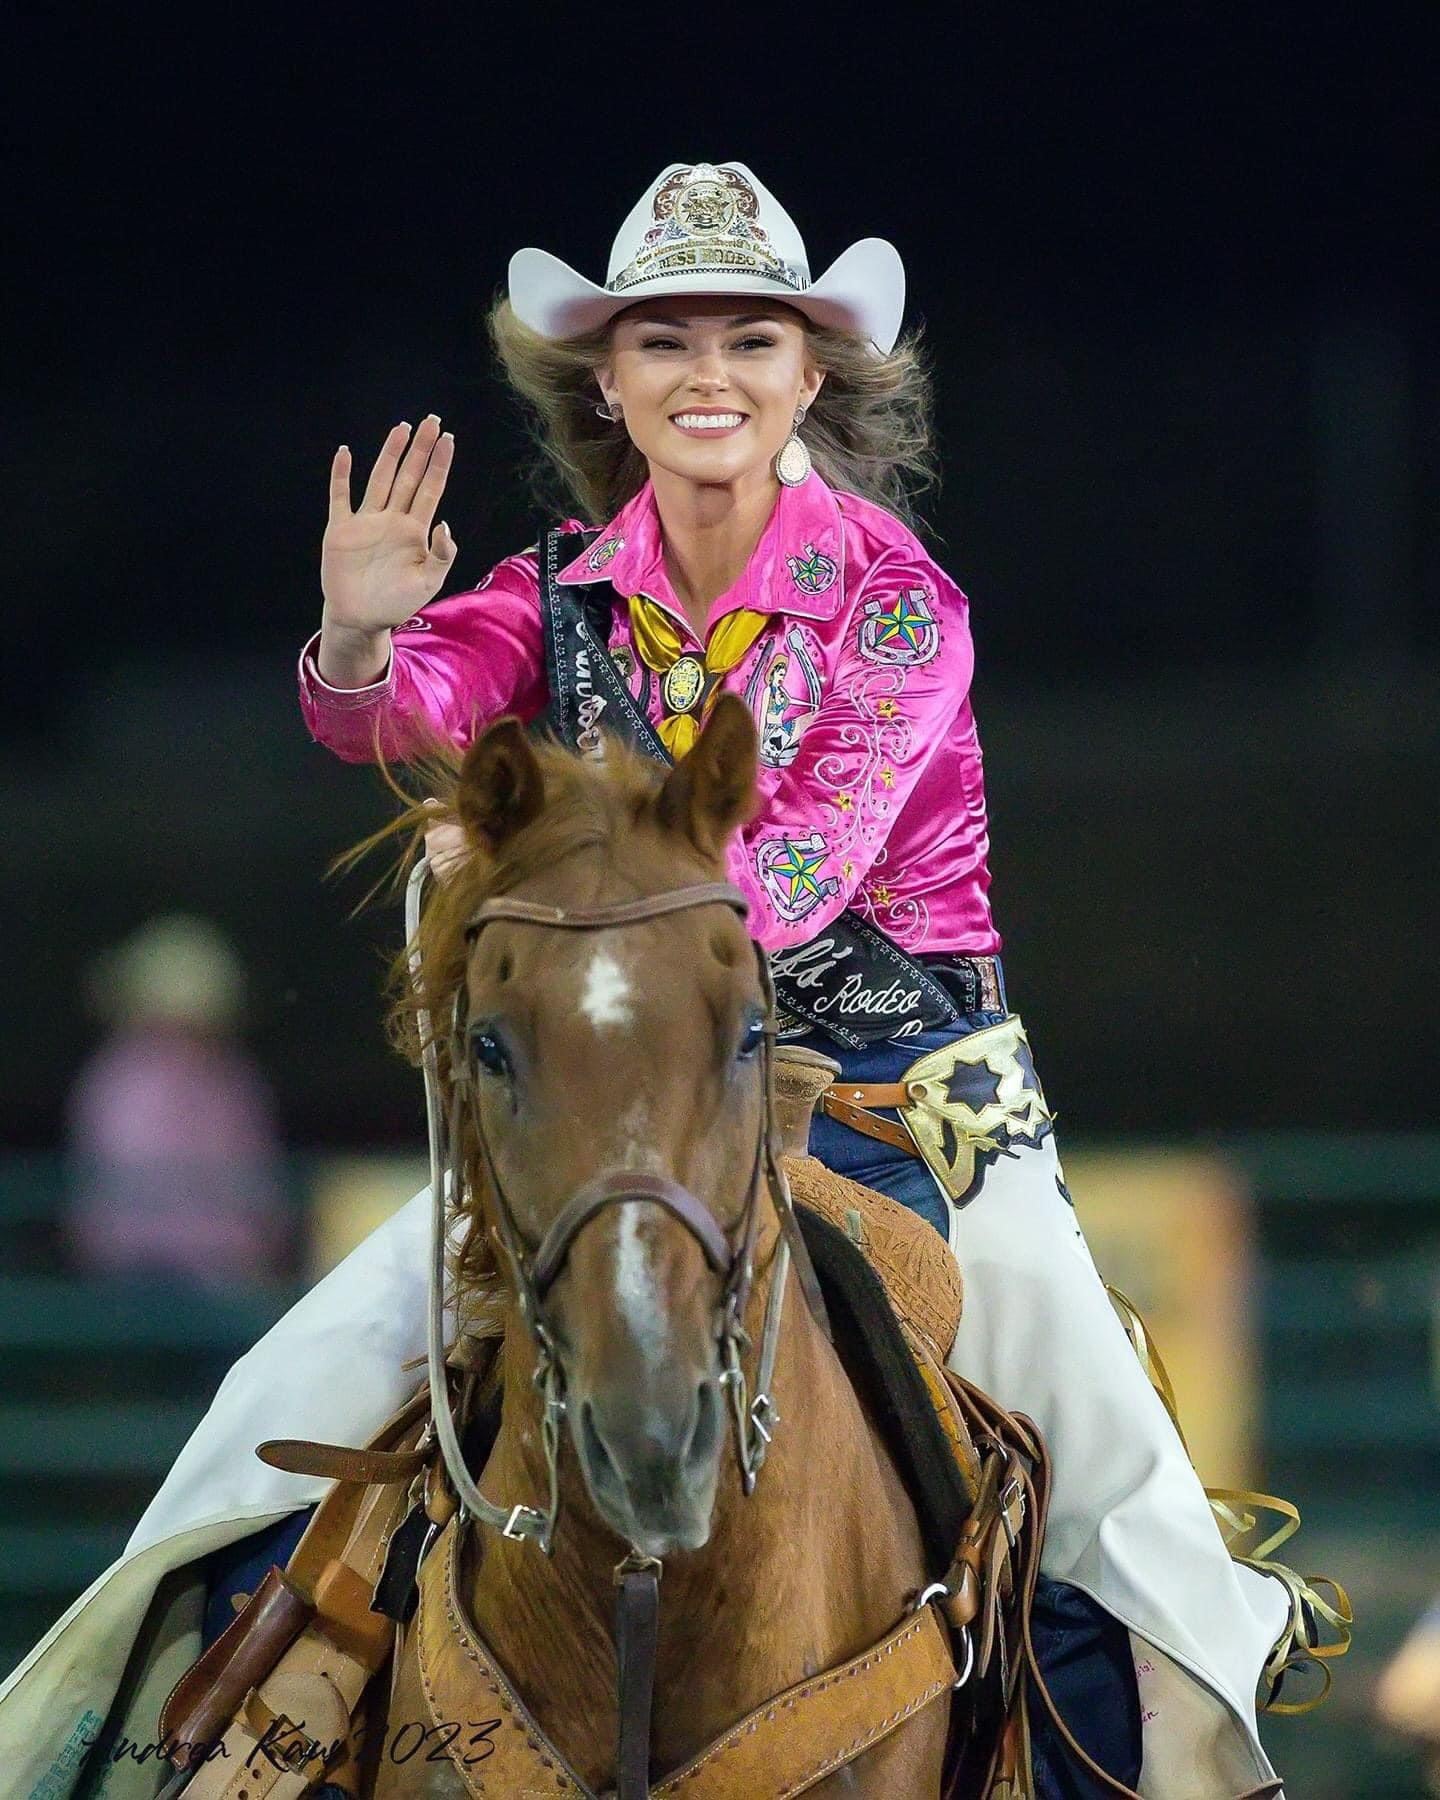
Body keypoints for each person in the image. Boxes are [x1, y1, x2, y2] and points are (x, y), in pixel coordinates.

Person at [0, 161, 1303, 1799]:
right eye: (665, 340)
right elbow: (403, 716)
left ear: (810, 378)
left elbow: (792, 873)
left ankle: (1200, 1750)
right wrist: (358, 644)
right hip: (631, 1088)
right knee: (283, 1394)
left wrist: (545, 874)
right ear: (605, 383)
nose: (709, 374)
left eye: (750, 340)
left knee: (1107, 1444)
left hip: (917, 1101)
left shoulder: (900, 604)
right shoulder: (550, 592)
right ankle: (135, 1740)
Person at [64, 913, 288, 1286]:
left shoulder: (232, 1076)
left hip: (224, 1275)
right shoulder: (124, 1077)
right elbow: (128, 1193)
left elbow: (256, 1173)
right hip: (143, 1273)